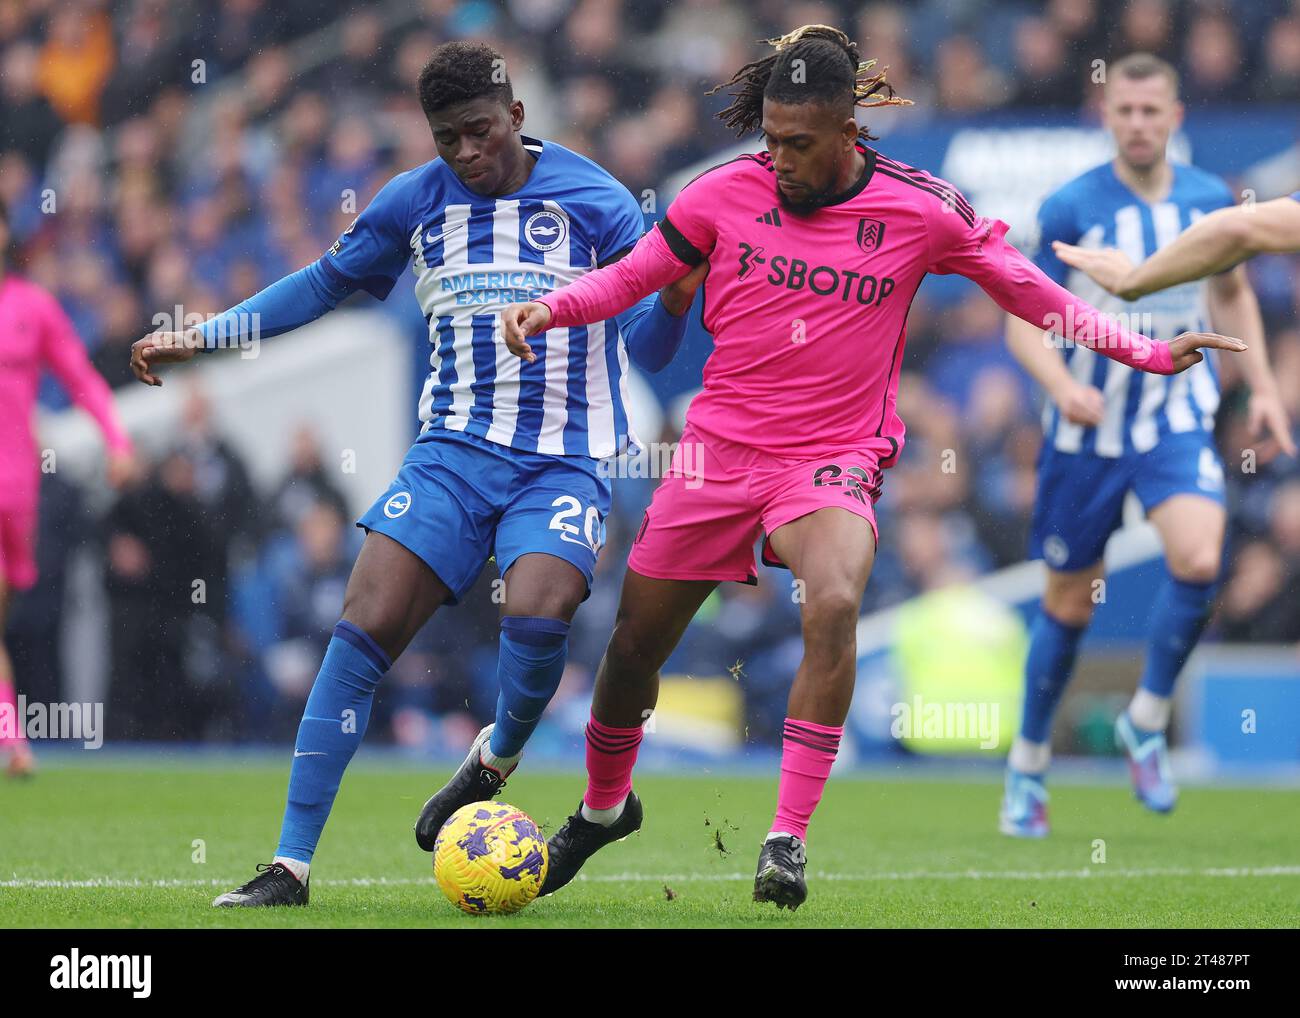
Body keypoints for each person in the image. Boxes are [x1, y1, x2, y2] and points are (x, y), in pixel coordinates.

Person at [499, 25, 1243, 909]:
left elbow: (1030, 290)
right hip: (716, 454)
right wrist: (554, 307)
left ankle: (786, 837)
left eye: (797, 144)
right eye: (769, 139)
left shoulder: (920, 209)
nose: (776, 159)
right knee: (631, 650)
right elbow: (636, 275)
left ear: (849, 133)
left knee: (839, 596)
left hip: (830, 459)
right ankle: (602, 808)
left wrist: (1148, 355)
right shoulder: (721, 193)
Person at [129, 41, 703, 907]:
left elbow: (651, 352)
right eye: (447, 140)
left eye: (479, 131)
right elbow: (320, 285)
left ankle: (497, 755)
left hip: (562, 462)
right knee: (362, 625)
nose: (466, 153)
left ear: (514, 115)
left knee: (541, 614)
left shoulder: (598, 200)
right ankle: (289, 865)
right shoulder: (414, 202)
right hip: (449, 459)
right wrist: (205, 336)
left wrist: (671, 298)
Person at [1000, 53, 1294, 838]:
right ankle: (1028, 763)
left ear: (1175, 117)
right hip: (1086, 430)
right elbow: (1021, 318)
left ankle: (1146, 717)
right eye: (1124, 110)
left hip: (1175, 417)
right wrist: (1062, 389)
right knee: (1067, 604)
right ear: (1106, 114)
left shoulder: (1208, 199)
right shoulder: (1071, 206)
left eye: (1150, 111)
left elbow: (1232, 293)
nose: (1137, 124)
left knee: (1200, 559)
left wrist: (1262, 386)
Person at [0, 198, 136, 777]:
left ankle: (11, 739)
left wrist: (117, 441)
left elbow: (81, 378)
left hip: (16, 488)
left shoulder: (34, 306)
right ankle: (13, 742)